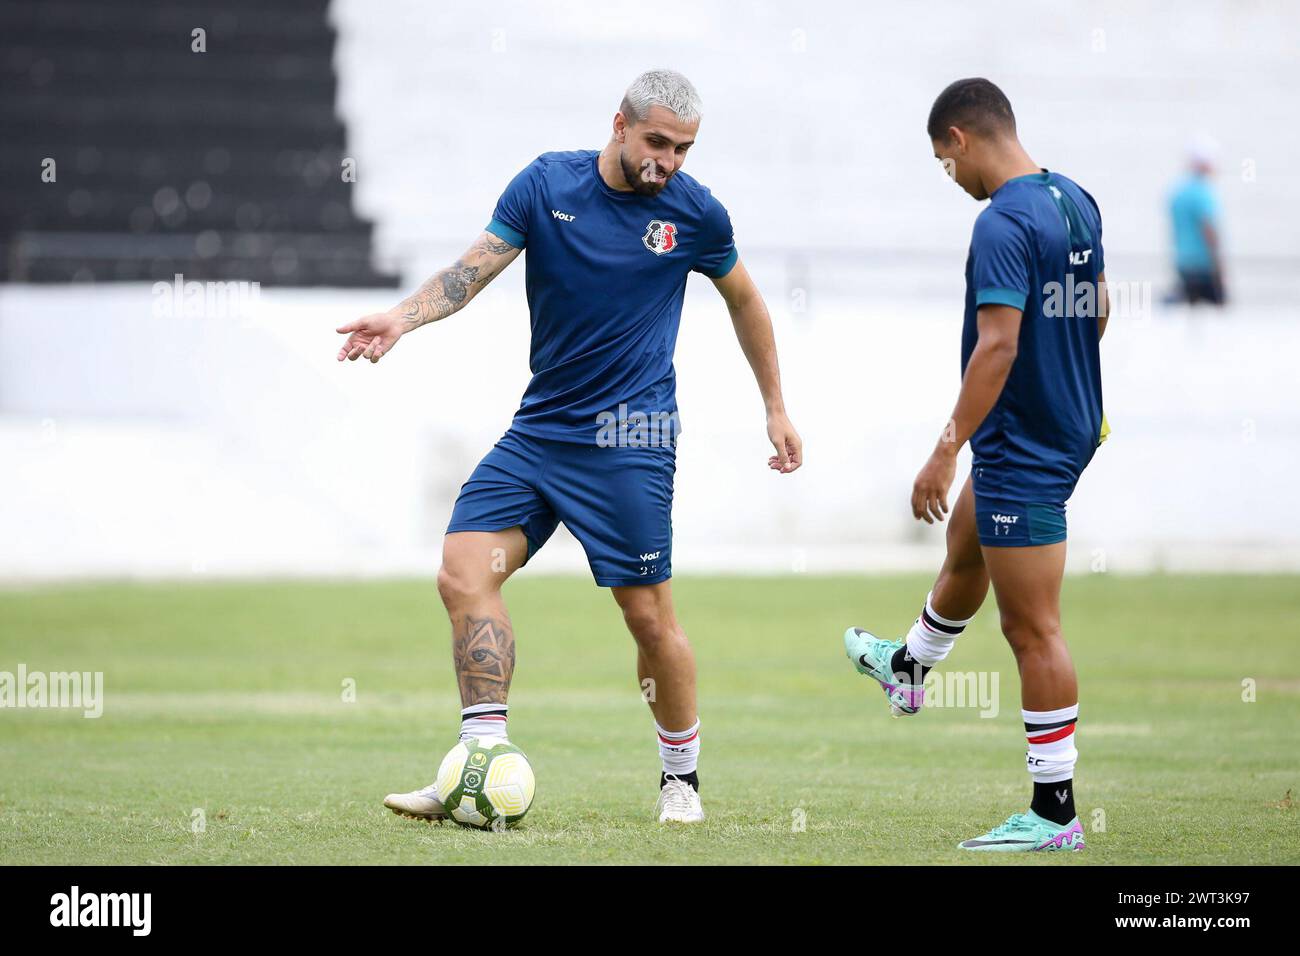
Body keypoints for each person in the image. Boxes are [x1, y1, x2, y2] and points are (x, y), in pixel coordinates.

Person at [335, 69, 802, 824]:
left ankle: (680, 779)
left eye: (683, 148)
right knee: (462, 574)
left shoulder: (697, 214)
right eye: (656, 142)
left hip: (632, 438)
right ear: (617, 124)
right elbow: (472, 271)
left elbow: (744, 297)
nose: (668, 162)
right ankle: (481, 758)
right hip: (543, 429)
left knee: (648, 619)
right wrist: (401, 318)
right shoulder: (547, 184)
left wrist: (775, 407)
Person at [844, 77, 1108, 852]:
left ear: (960, 138)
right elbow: (1096, 310)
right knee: (966, 547)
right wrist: (1068, 389)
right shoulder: (1074, 199)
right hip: (1060, 428)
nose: (948, 176)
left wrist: (943, 448)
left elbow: (999, 344)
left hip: (1022, 443)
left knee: (1032, 629)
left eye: (942, 161)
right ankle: (911, 667)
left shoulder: (1001, 222)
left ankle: (1054, 811)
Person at [1168, 137, 1226, 305]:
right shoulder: (1203, 192)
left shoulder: (1178, 192)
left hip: (1183, 263)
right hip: (1204, 267)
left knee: (1190, 313)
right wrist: (1220, 269)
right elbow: (1209, 231)